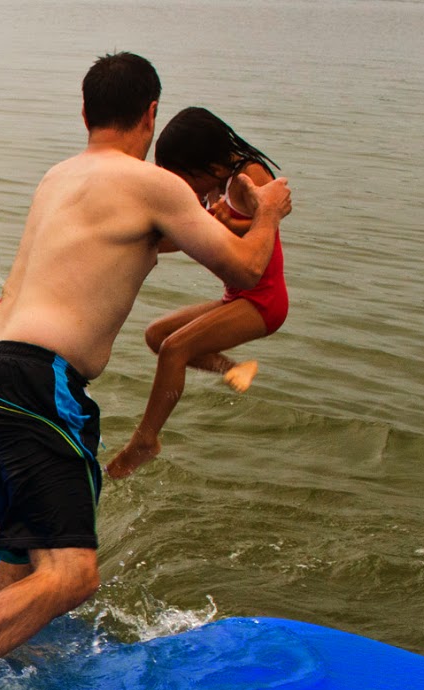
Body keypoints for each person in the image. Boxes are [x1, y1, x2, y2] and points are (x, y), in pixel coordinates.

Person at [0, 53, 292, 690]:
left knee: (22, 547)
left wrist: (226, 211)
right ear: (152, 114)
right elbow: (246, 268)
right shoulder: (153, 182)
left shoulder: (63, 175)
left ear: (84, 113)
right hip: (38, 380)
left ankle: (0, 645)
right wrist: (269, 211)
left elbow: (162, 237)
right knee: (72, 572)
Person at [104, 107, 289, 478]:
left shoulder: (248, 176)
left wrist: (227, 222)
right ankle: (234, 370)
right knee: (157, 336)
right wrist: (143, 244)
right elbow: (194, 234)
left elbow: (266, 224)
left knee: (176, 349)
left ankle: (145, 439)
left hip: (263, 300)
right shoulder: (217, 184)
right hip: (236, 296)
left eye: (185, 178)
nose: (184, 190)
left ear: (211, 166)